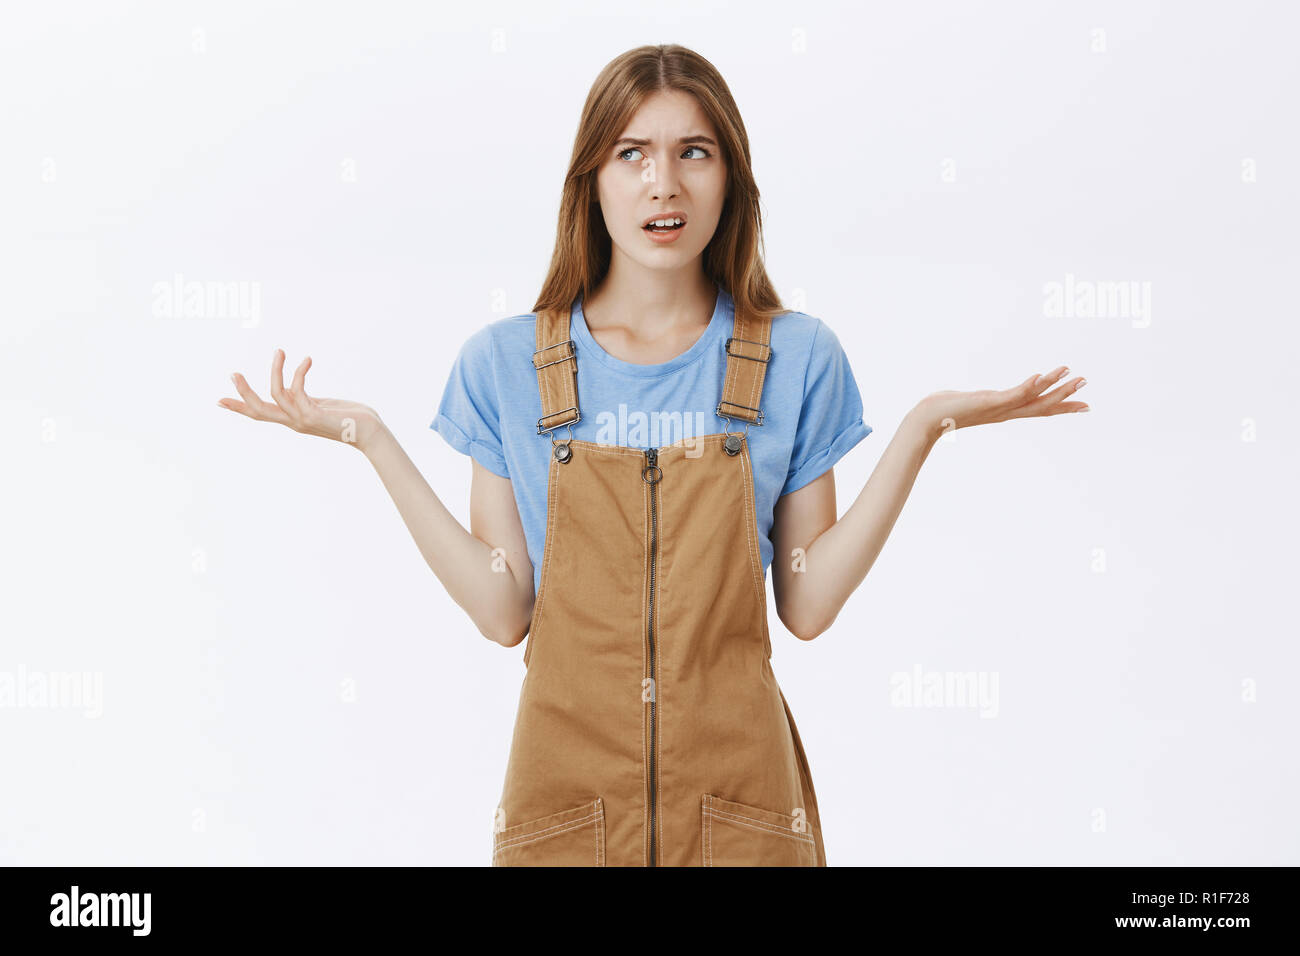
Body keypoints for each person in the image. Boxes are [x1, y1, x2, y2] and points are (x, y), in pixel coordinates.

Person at [217, 43, 1089, 867]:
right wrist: (370, 438)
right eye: (631, 153)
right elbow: (501, 608)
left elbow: (808, 603)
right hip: (565, 811)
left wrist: (923, 428)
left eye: (693, 152)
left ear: (730, 176)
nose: (661, 184)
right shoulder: (507, 367)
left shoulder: (796, 359)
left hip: (741, 809)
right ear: (591, 180)